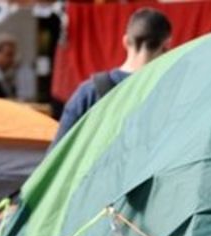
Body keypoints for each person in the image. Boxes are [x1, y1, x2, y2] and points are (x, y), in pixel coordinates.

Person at [53, 8, 172, 143]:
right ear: (166, 46)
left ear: (126, 41)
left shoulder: (90, 92)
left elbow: (57, 154)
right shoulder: (169, 94)